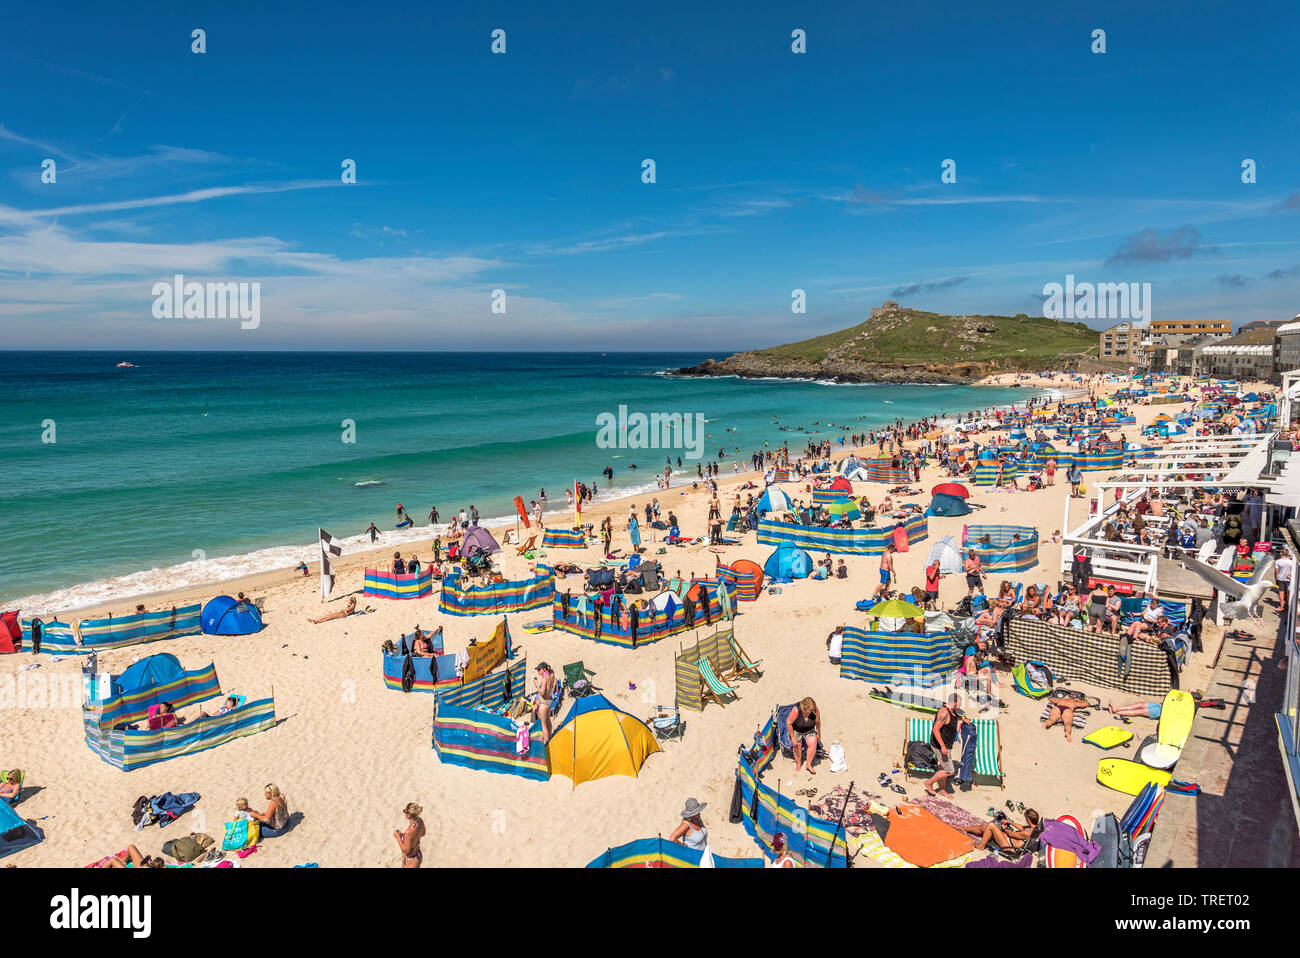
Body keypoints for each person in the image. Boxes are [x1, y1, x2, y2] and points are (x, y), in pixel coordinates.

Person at [925, 695, 963, 795]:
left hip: (946, 745)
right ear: (954, 703)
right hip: (940, 746)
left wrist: (962, 719)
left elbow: (954, 718)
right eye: (959, 703)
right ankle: (929, 782)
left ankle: (942, 790)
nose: (960, 705)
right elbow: (935, 729)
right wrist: (942, 747)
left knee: (944, 767)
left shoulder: (953, 712)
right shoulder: (944, 712)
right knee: (949, 771)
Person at [957, 809, 1042, 852]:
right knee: (985, 827)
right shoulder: (1035, 828)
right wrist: (1010, 822)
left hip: (1009, 846)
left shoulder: (1027, 833)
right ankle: (965, 829)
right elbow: (1022, 827)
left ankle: (981, 846)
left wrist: (1005, 828)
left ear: (1028, 819)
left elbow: (1011, 834)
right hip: (1009, 839)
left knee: (991, 825)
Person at [787, 697, 821, 775]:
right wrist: (792, 737)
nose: (812, 711)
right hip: (797, 730)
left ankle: (808, 764)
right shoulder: (796, 711)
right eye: (810, 710)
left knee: (813, 743)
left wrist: (818, 733)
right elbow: (789, 723)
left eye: (813, 709)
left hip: (809, 729)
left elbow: (818, 722)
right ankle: (798, 763)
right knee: (797, 745)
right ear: (805, 708)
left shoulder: (815, 711)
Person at [395, 803, 426, 868]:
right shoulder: (420, 821)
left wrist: (398, 837)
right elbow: (423, 833)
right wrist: (409, 839)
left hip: (411, 860)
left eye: (405, 811)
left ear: (409, 815)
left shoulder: (409, 832)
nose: (404, 813)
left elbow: (406, 851)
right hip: (417, 854)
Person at [534, 662, 557, 743]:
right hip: (550, 699)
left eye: (539, 670)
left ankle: (547, 742)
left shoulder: (544, 678)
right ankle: (550, 737)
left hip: (544, 703)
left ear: (544, 669)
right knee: (548, 720)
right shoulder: (551, 673)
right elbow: (555, 683)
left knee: (543, 724)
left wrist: (537, 685)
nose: (538, 672)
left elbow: (542, 693)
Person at [101, 844, 166, 868]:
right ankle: (124, 861)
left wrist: (148, 861)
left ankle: (124, 861)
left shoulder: (145, 865)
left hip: (142, 866)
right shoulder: (146, 865)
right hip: (142, 866)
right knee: (131, 847)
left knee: (113, 860)